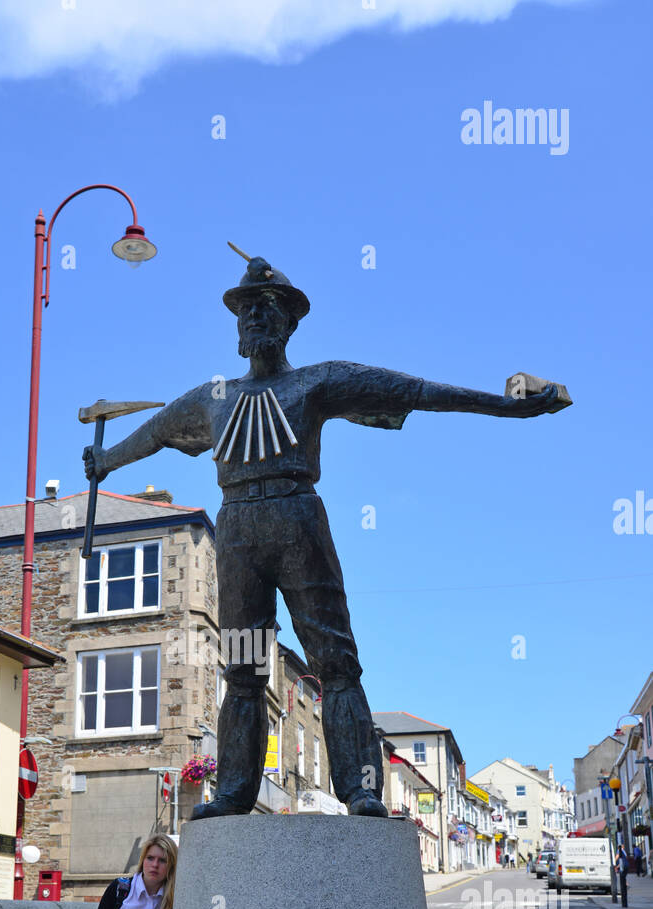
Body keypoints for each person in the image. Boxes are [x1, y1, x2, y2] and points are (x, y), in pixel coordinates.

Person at [83, 249, 569, 821]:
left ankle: (360, 789)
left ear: (290, 323)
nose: (255, 320)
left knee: (334, 659)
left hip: (297, 519)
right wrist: (106, 460)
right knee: (241, 664)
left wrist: (502, 408)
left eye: (267, 310)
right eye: (247, 313)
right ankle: (235, 790)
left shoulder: (319, 382)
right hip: (238, 526)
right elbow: (156, 432)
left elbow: (413, 391)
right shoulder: (214, 398)